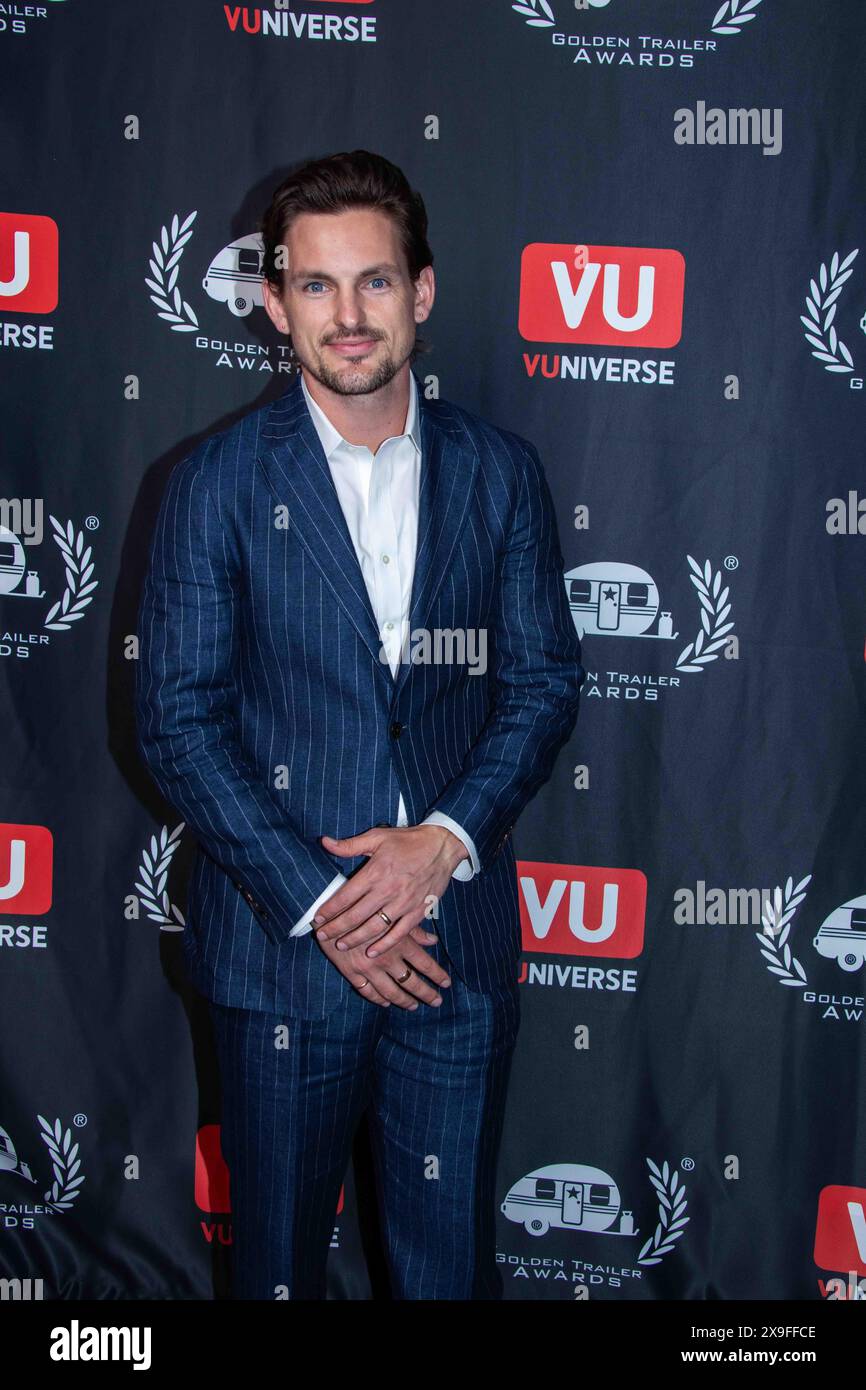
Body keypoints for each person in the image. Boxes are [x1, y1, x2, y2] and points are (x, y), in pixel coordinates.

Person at [135, 149, 585, 1300]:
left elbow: (539, 683)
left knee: (445, 1277)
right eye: (318, 286)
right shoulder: (213, 484)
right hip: (284, 952)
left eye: (375, 282)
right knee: (274, 1273)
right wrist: (326, 902)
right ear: (275, 302)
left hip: (454, 946)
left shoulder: (499, 474)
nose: (348, 316)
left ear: (421, 293)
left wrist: (442, 842)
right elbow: (176, 721)